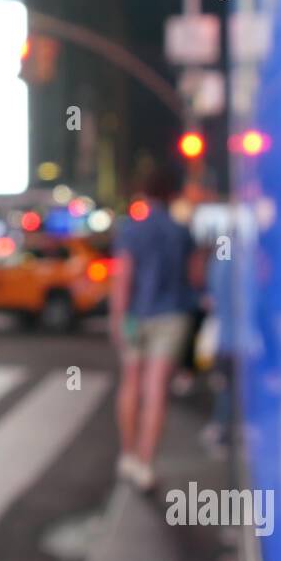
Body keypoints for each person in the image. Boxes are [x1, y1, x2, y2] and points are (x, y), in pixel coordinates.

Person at [109, 165, 204, 492]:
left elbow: (123, 278)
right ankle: (146, 465)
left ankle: (127, 454)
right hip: (172, 316)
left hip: (137, 314)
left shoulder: (131, 230)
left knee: (130, 382)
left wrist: (118, 318)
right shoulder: (182, 231)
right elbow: (195, 278)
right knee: (156, 390)